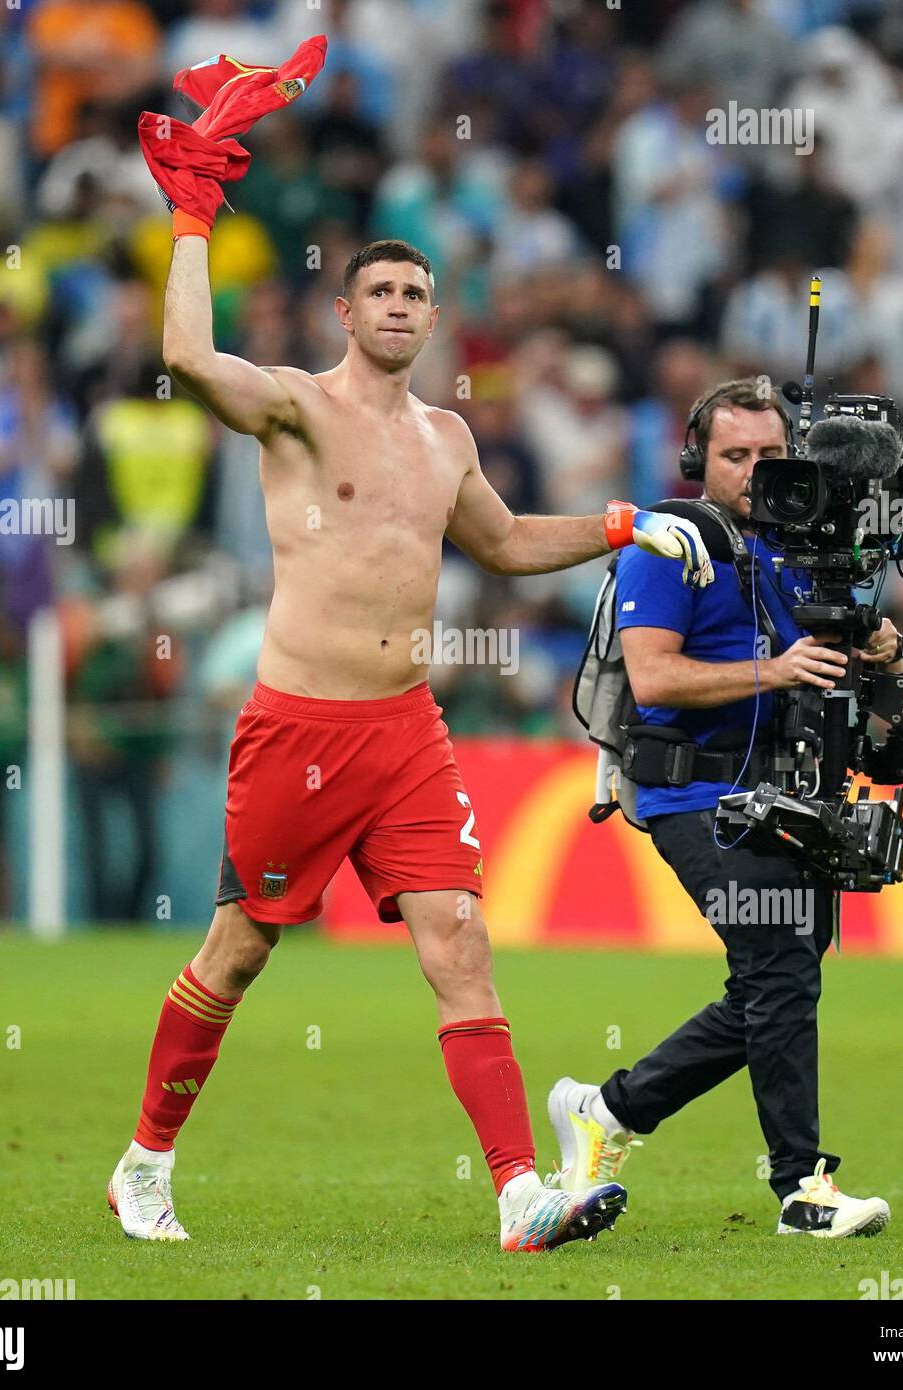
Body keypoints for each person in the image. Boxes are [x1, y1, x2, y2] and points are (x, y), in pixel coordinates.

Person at [109, 104, 718, 1250]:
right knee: (238, 950)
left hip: (406, 732)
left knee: (461, 940)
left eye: (415, 297)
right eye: (380, 294)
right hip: (297, 726)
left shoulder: (448, 440)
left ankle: (518, 1193)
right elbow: (185, 356)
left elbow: (504, 545)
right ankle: (144, 1159)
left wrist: (629, 522)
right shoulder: (293, 405)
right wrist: (191, 214)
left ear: (434, 319)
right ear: (347, 313)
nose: (398, 309)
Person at [549, 378, 902, 1238]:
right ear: (696, 462)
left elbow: (835, 673)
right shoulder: (668, 548)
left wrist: (880, 651)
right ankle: (801, 1189)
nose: (752, 471)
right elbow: (655, 676)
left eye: (769, 456)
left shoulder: (794, 549)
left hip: (781, 791)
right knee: (781, 967)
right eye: (734, 455)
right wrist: (777, 671)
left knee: (780, 971)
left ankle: (608, 1109)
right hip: (693, 793)